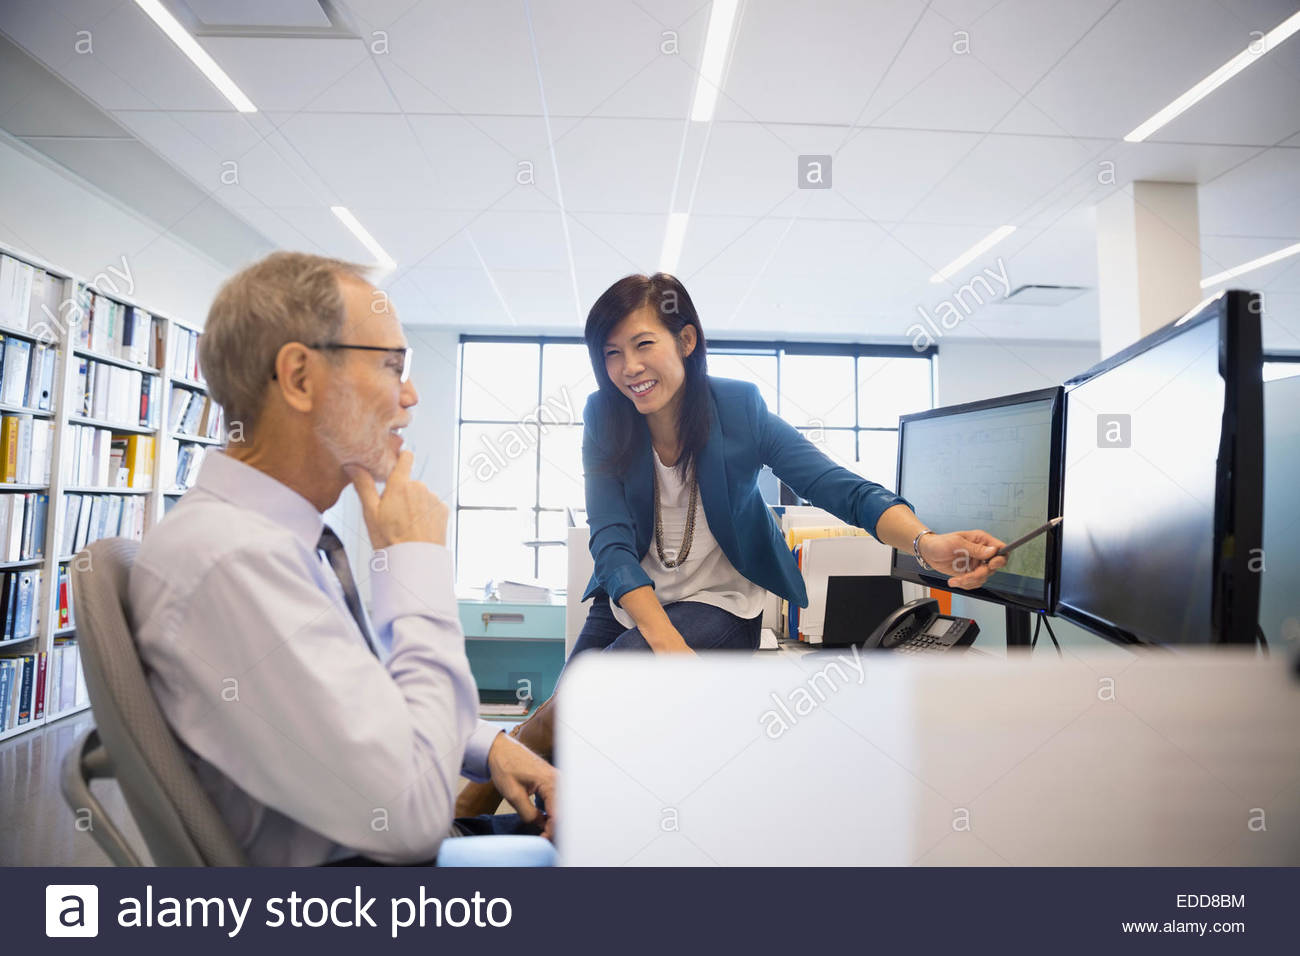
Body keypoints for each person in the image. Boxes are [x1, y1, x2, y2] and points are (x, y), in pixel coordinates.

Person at [455, 272, 1007, 816]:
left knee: (587, 705)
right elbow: (612, 542)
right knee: (563, 725)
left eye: (644, 344)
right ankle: (475, 830)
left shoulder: (738, 409)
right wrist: (666, 644)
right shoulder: (605, 416)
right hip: (633, 601)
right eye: (612, 353)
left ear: (687, 341)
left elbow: (838, 488)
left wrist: (926, 543)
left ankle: (480, 820)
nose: (629, 368)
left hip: (720, 601)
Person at [130, 251, 555, 865]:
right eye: (391, 366)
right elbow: (409, 816)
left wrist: (491, 747)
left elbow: (352, 714)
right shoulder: (230, 561)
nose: (409, 397)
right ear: (300, 377)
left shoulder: (269, 542)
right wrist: (415, 562)